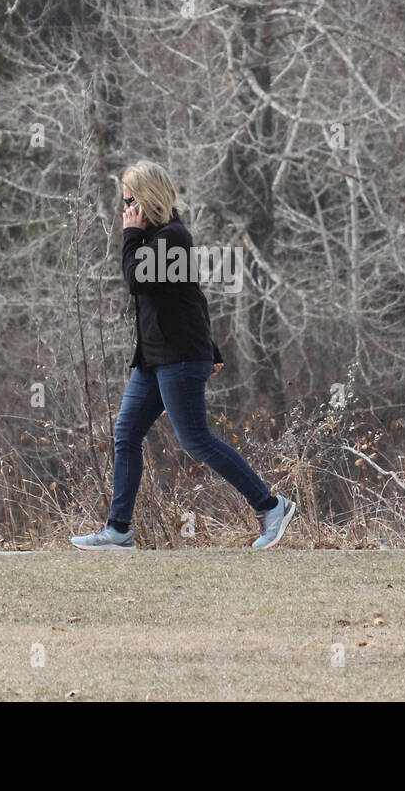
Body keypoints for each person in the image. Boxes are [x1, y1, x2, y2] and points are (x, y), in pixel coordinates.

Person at [71, 161, 296, 550]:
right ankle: (119, 529)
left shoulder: (172, 237)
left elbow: (134, 282)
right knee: (125, 436)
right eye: (123, 203)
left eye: (128, 201)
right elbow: (190, 295)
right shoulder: (156, 237)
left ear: (145, 199)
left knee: (196, 440)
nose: (124, 210)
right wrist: (211, 346)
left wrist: (128, 236)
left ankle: (270, 506)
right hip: (155, 358)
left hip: (177, 357)